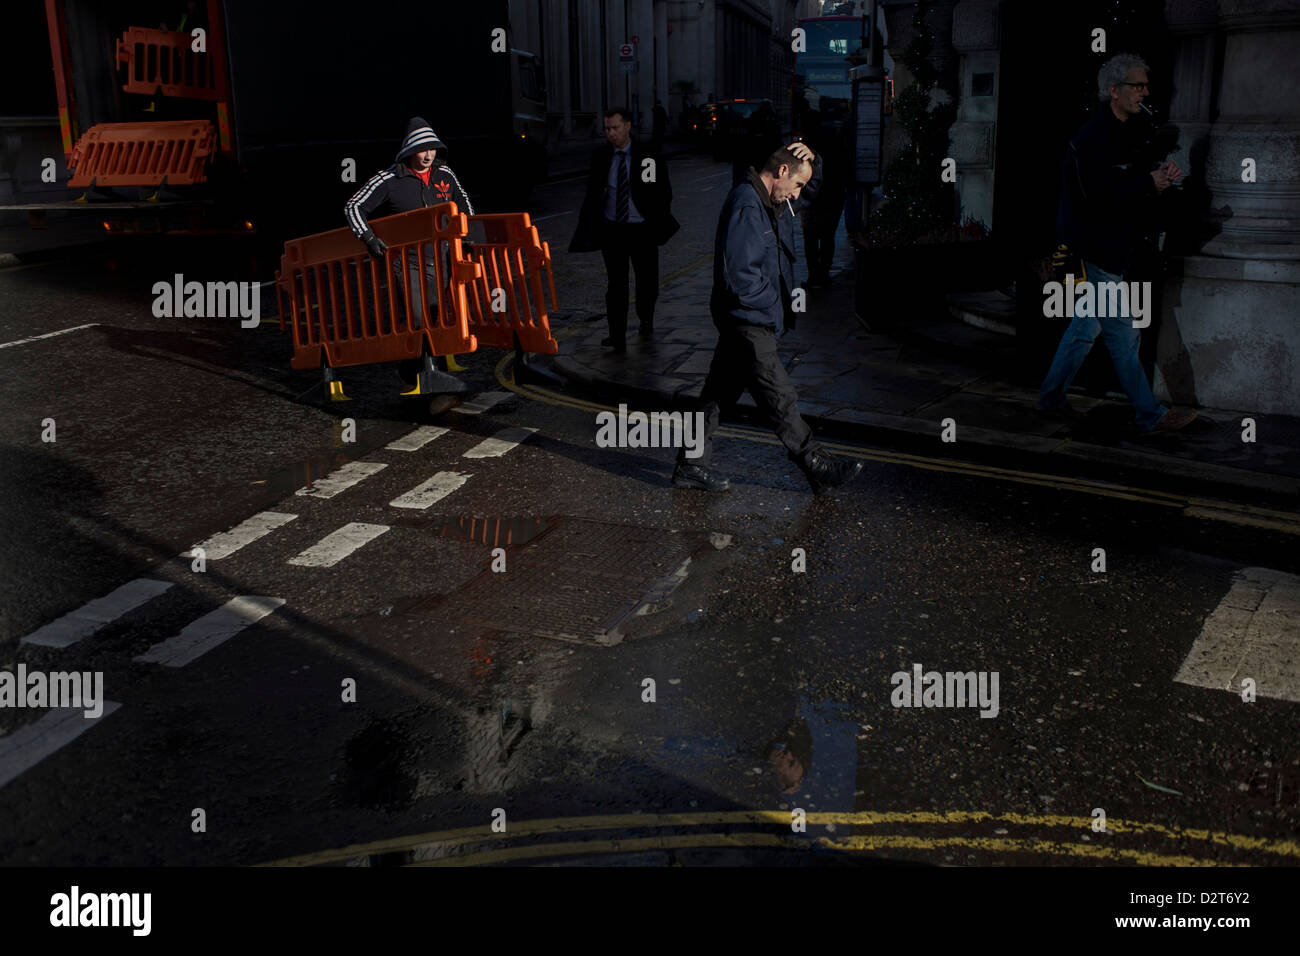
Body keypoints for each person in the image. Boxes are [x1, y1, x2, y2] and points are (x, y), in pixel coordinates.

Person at [672, 146, 864, 494]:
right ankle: (815, 463)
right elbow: (740, 278)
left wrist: (815, 162)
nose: (798, 193)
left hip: (749, 317)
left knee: (717, 395)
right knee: (779, 394)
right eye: (798, 183)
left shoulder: (773, 202)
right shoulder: (747, 206)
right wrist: (776, 304)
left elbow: (812, 196)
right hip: (747, 319)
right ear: (781, 172)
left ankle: (691, 465)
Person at [1037, 54, 1196, 435]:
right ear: (1113, 91)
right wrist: (1148, 182)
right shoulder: (1092, 137)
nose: (1144, 92)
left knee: (1084, 330)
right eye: (1136, 86)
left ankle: (1050, 398)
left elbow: (1132, 184)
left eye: (1145, 85)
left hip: (1111, 245)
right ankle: (1150, 415)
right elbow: (1097, 196)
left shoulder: (1127, 132)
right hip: (1097, 246)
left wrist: (1160, 177)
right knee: (1124, 335)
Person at [343, 117, 474, 393]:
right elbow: (353, 206)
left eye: (433, 149)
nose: (428, 155)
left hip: (443, 258)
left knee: (437, 314)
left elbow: (465, 207)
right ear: (409, 150)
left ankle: (423, 375)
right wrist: (368, 238)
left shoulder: (445, 174)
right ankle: (416, 377)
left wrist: (469, 237)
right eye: (422, 149)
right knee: (418, 318)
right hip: (408, 262)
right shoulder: (390, 178)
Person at [570, 107, 680, 354]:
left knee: (646, 281)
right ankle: (616, 335)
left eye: (615, 128)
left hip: (641, 229)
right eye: (607, 129)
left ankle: (646, 320)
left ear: (628, 126)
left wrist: (654, 220)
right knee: (616, 284)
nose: (611, 134)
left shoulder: (646, 156)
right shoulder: (601, 156)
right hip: (613, 229)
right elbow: (592, 193)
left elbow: (659, 191)